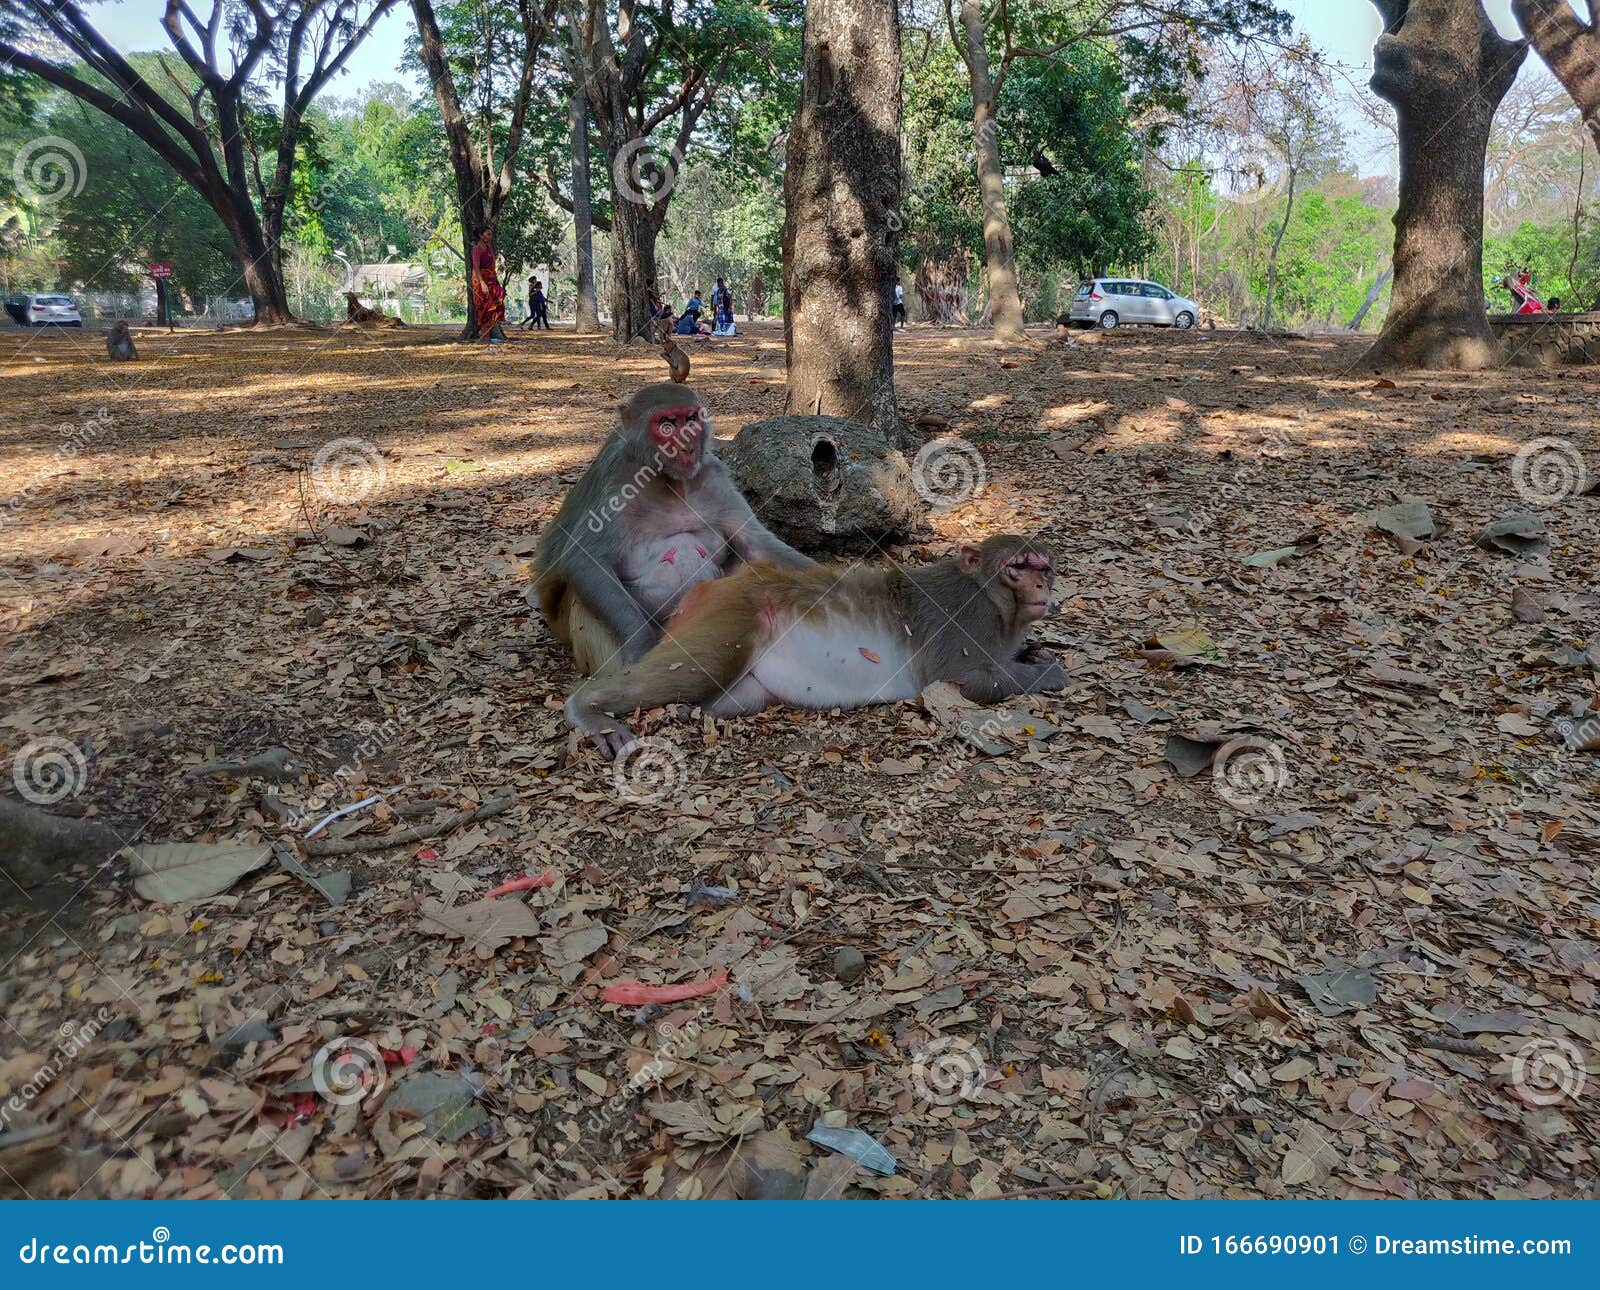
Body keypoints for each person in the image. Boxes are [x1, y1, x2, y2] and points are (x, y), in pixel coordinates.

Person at [470, 227, 506, 342]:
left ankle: (486, 332)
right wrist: (482, 283)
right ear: (481, 235)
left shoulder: (489, 248)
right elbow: (476, 266)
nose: (491, 237)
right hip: (481, 280)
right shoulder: (477, 249)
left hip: (492, 279)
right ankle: (484, 335)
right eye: (488, 234)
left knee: (496, 303)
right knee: (484, 306)